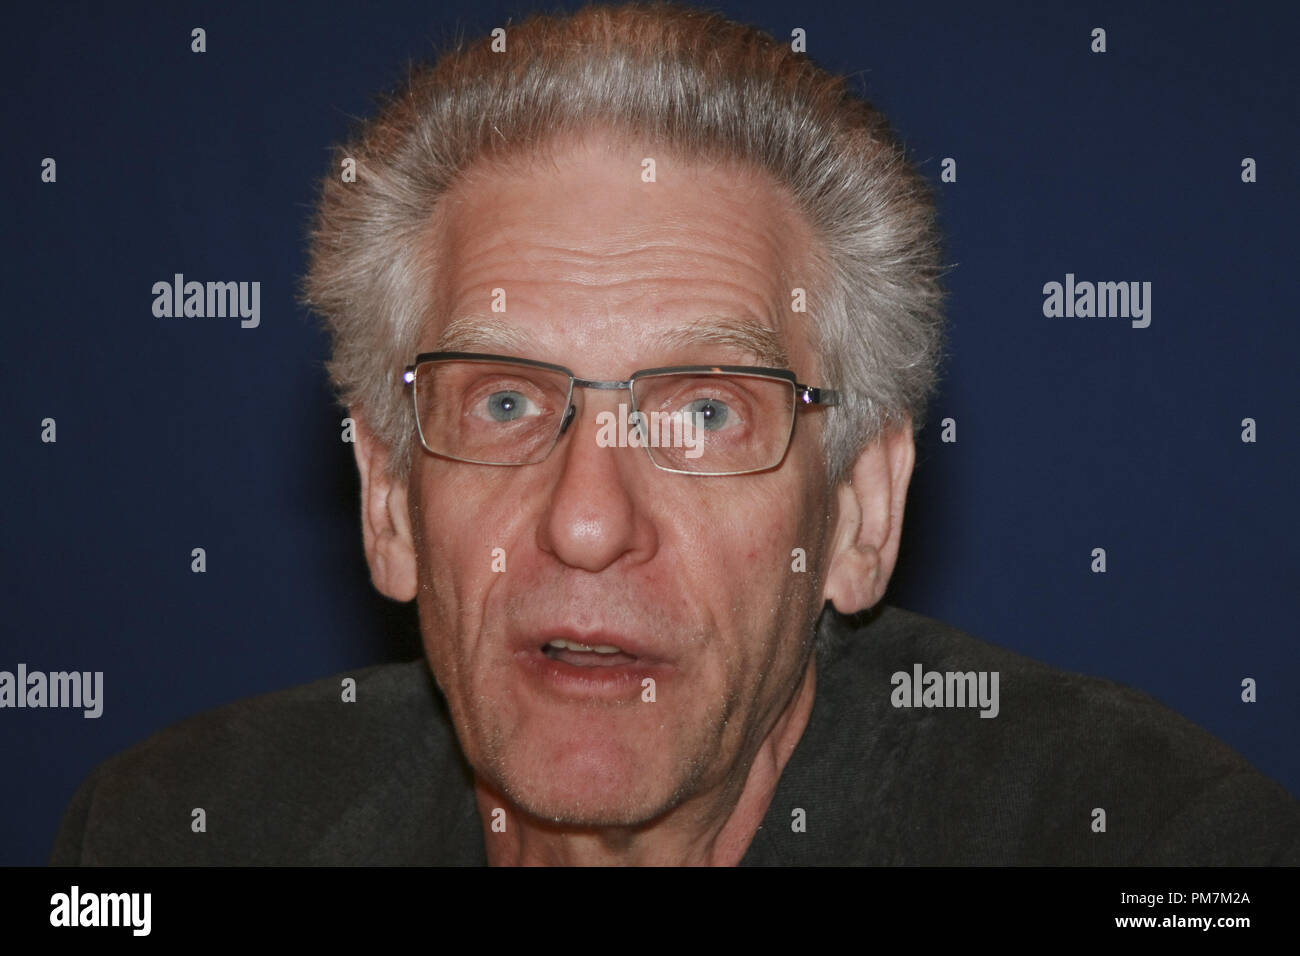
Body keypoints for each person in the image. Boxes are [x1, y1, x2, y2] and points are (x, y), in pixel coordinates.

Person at [51, 1, 1297, 866]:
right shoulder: (169, 829)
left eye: (704, 412)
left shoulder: (1153, 845)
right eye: (502, 401)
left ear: (859, 511)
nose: (587, 521)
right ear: (387, 496)